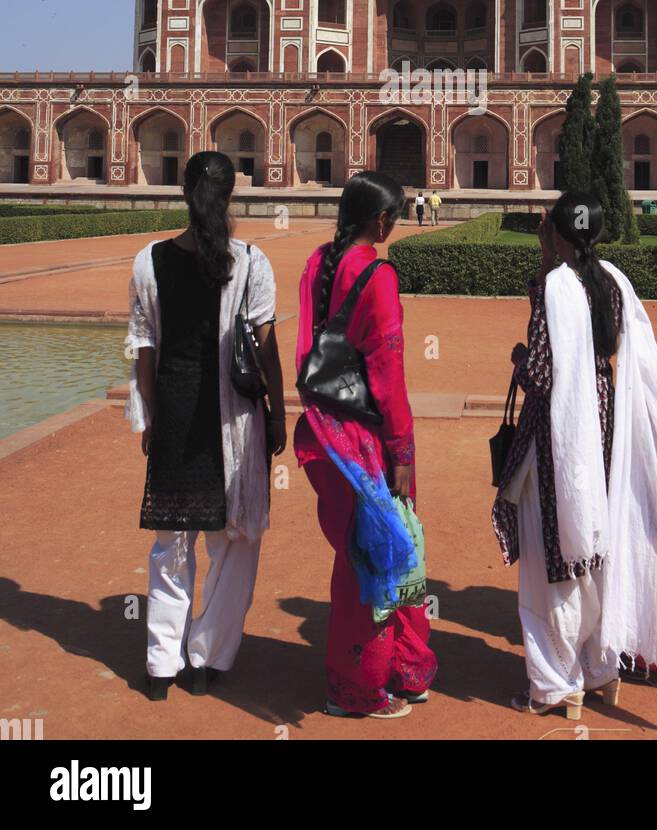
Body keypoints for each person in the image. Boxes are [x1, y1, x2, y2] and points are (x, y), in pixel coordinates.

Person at [493, 190, 657, 718]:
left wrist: (519, 360)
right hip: (603, 428)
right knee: (596, 547)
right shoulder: (613, 281)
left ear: (554, 232)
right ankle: (601, 672)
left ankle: (556, 684)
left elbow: (543, 378)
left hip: (557, 441)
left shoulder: (555, 285)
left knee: (552, 562)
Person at [126, 151, 285, 701]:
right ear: (230, 198)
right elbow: (266, 348)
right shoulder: (250, 261)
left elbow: (144, 351)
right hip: (234, 424)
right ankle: (207, 657)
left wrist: (148, 415)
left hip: (174, 415)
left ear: (183, 193)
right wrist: (280, 413)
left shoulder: (149, 260)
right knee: (234, 541)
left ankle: (159, 666)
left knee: (171, 543)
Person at [294, 171, 437, 719]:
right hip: (371, 440)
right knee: (375, 557)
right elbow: (387, 368)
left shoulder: (316, 263)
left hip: (328, 429)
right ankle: (358, 687)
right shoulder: (378, 273)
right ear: (381, 221)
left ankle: (401, 667)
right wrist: (400, 450)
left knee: (381, 551)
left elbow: (309, 351)